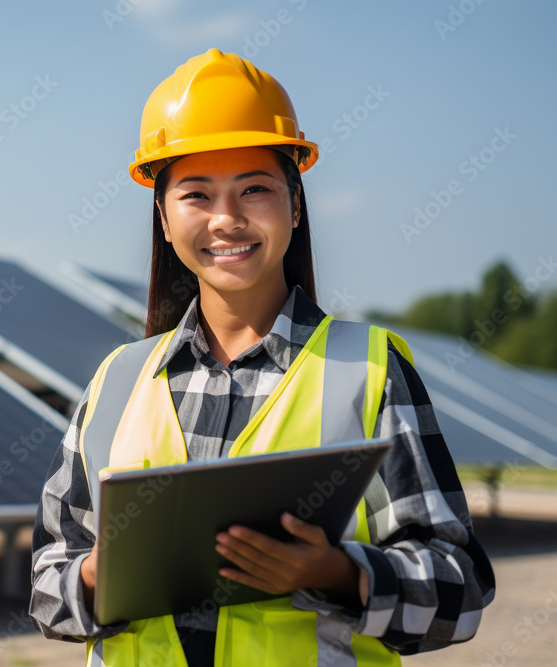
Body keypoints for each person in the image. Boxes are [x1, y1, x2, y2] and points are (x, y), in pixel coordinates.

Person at [28, 49, 495, 666]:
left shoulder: (370, 371)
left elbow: (458, 592)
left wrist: (337, 572)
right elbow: (46, 583)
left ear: (295, 207)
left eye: (255, 189)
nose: (227, 219)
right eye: (196, 194)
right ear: (164, 220)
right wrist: (97, 575)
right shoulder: (116, 382)